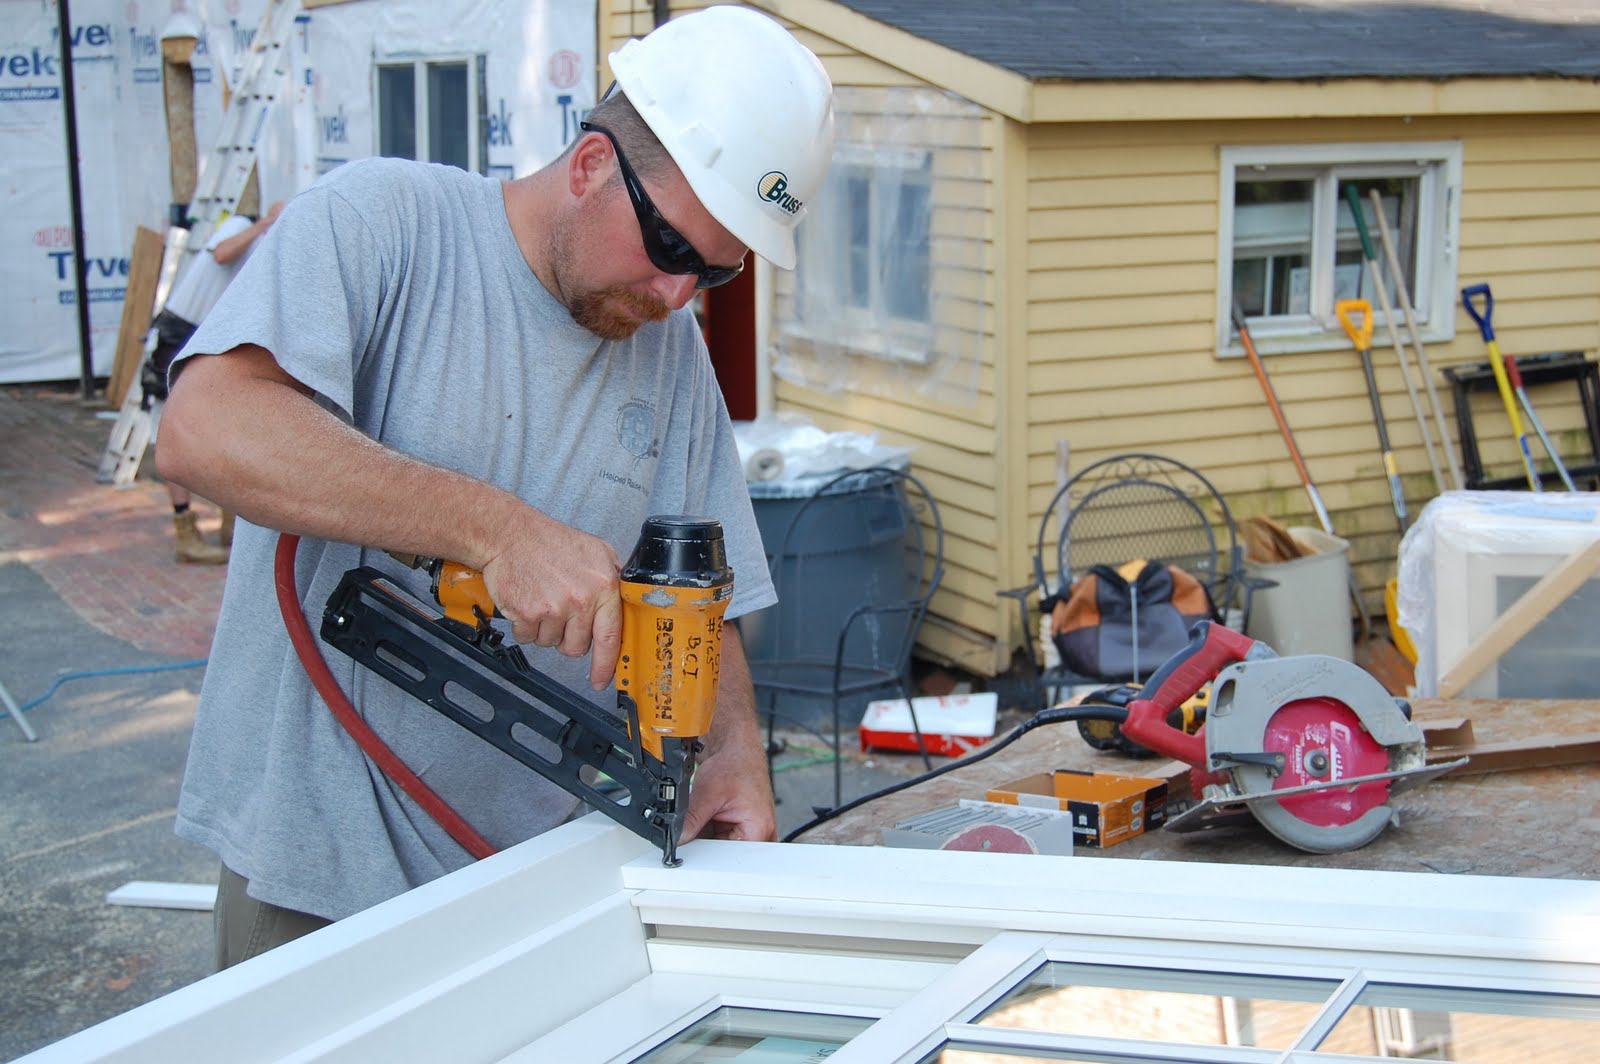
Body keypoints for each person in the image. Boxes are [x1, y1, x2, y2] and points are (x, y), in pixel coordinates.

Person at [155, 6, 835, 969]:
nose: (678, 296)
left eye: (715, 274)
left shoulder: (671, 353)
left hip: (539, 879)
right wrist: (496, 530)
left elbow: (697, 595)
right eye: (671, 247)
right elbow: (204, 427)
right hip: (316, 880)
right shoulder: (384, 226)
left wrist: (729, 756)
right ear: (592, 164)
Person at [142, 201, 283, 563]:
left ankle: (230, 523)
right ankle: (185, 532)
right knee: (175, 432)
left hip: (205, 336)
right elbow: (221, 254)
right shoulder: (239, 225)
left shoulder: (269, 249)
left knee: (223, 430)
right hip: (178, 333)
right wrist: (265, 223)